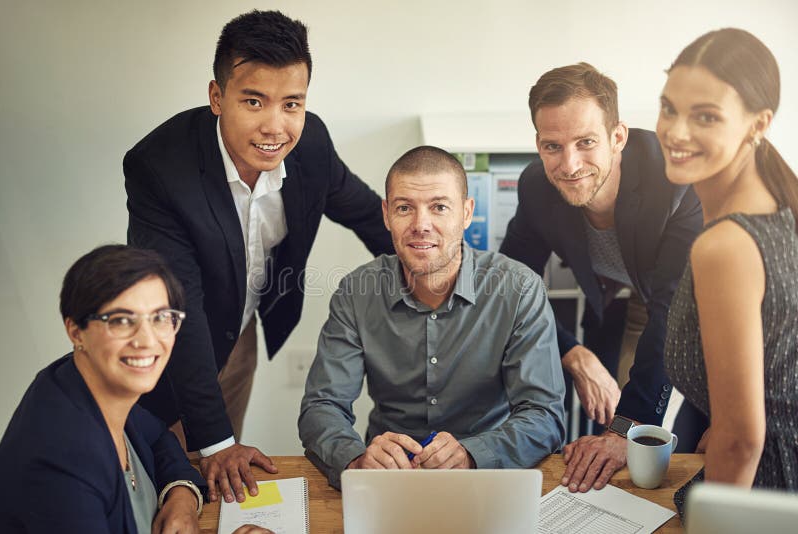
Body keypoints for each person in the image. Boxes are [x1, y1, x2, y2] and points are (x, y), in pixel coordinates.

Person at [124, 11, 393, 503]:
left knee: (217, 485)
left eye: (292, 103)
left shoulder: (311, 143)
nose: (276, 126)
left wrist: (438, 266)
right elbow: (177, 310)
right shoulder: (159, 168)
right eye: (254, 101)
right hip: (168, 340)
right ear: (216, 97)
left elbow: (367, 215)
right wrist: (218, 442)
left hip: (240, 330)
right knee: (162, 475)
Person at [298, 146, 566, 489]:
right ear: (386, 214)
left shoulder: (519, 289)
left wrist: (473, 454)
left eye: (439, 207)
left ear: (466, 213)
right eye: (405, 208)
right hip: (386, 479)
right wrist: (355, 458)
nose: (420, 225)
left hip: (488, 478)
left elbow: (543, 414)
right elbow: (322, 406)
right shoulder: (356, 292)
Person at [499, 63, 703, 492]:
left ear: (618, 137)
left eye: (586, 142)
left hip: (701, 306)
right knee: (612, 418)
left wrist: (625, 429)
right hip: (620, 296)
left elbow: (674, 312)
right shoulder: (536, 186)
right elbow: (511, 287)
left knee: (668, 433)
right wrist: (571, 353)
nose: (569, 164)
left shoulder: (677, 182)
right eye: (552, 146)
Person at [659, 28, 798, 510]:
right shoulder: (780, 205)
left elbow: (742, 442)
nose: (675, 132)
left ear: (758, 124)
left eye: (706, 116)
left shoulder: (724, 246)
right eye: (669, 108)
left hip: (766, 495)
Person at [0, 246, 209, 533]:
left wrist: (181, 495)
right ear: (76, 331)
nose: (147, 340)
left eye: (160, 317)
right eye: (122, 321)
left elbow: (159, 437)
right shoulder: (60, 465)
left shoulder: (87, 381)